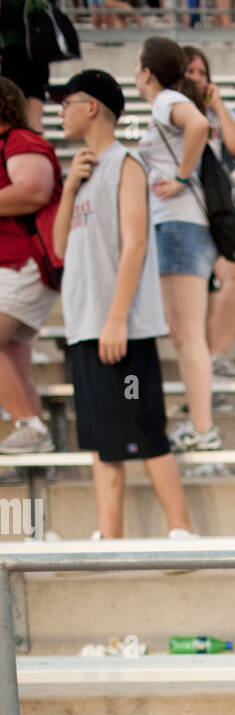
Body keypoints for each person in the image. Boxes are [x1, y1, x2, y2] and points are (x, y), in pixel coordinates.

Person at [51, 70, 196, 542]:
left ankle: (181, 530)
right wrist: (70, 189)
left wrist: (116, 318)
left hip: (121, 327)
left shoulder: (126, 163)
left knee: (146, 428)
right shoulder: (83, 173)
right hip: (84, 326)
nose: (60, 112)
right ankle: (108, 537)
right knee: (99, 441)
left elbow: (135, 245)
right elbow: (58, 249)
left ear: (91, 106)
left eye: (67, 103)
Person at [134, 36, 221, 452]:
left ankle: (203, 427)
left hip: (179, 227)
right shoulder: (167, 101)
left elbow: (200, 125)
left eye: (137, 67)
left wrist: (183, 176)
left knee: (187, 334)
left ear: (147, 72)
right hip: (181, 228)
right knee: (185, 334)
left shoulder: (164, 100)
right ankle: (199, 424)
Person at [182, 45, 235, 390]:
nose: (196, 78)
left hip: (221, 216)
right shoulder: (171, 113)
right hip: (185, 216)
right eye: (189, 72)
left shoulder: (219, 112)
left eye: (201, 72)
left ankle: (215, 358)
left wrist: (218, 108)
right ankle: (203, 377)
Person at [0, 76, 61, 456]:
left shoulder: (21, 140)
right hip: (14, 264)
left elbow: (34, 189)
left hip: (24, 262)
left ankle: (28, 426)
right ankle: (36, 444)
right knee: (15, 357)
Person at [0, 0, 49, 133]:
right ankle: (40, 150)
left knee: (9, 120)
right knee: (35, 123)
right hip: (37, 57)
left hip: (12, 57)